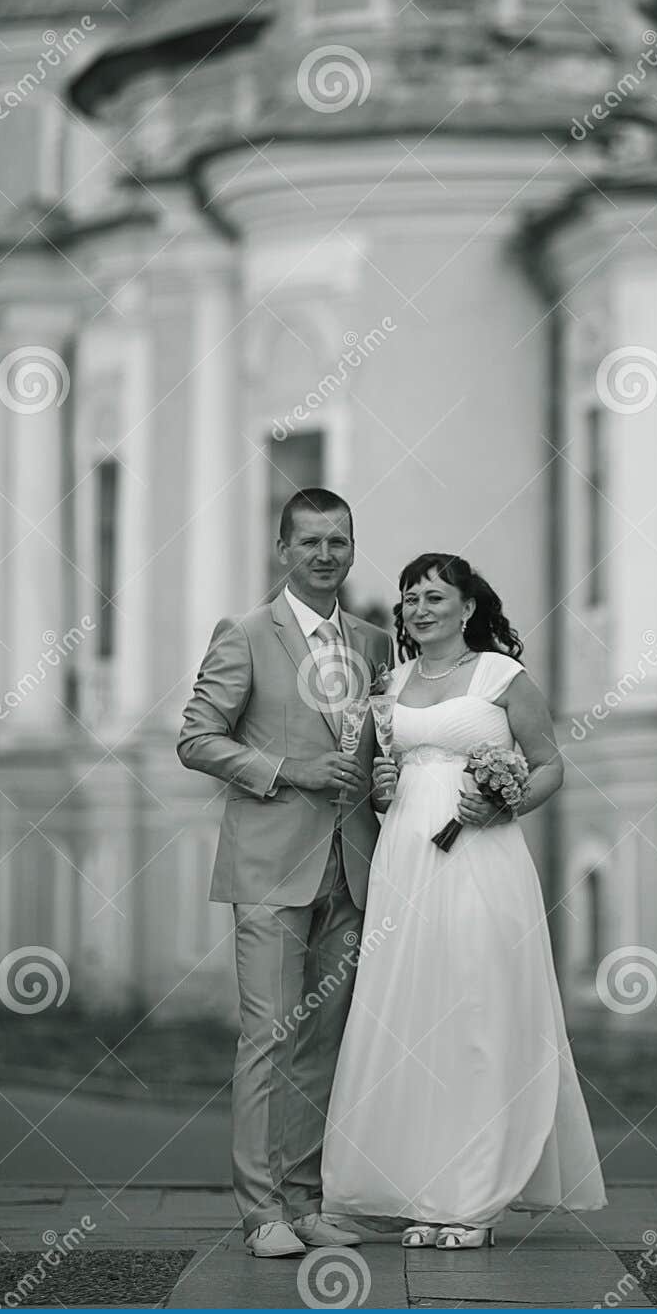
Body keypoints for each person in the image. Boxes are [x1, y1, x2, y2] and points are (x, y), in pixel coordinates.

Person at [321, 552, 606, 1248]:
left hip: (482, 858)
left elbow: (548, 767)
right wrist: (385, 789)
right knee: (410, 1018)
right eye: (410, 597)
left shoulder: (502, 677)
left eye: (435, 596)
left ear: (467, 607)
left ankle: (472, 1199)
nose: (419, 608)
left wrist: (506, 803)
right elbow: (381, 776)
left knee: (477, 1008)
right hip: (406, 859)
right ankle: (421, 1188)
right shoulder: (391, 684)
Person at [178, 488, 393, 1257]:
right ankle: (260, 1211)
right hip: (270, 867)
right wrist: (290, 770)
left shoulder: (373, 643)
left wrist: (390, 783)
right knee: (268, 1038)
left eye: (339, 541)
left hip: (354, 867)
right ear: (283, 550)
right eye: (311, 542)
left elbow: (379, 748)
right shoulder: (243, 635)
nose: (326, 555)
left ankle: (305, 1202)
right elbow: (197, 739)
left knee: (323, 1043)